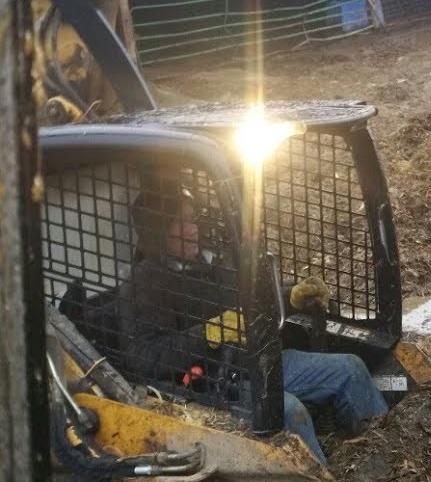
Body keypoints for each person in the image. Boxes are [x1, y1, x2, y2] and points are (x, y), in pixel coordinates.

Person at [119, 180, 387, 464]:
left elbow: (253, 302)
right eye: (179, 222)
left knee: (350, 369)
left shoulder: (214, 261)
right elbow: (142, 357)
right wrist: (209, 334)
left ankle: (387, 458)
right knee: (289, 411)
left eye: (191, 217)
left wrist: (290, 297)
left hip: (259, 361)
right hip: (215, 385)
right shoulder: (144, 284)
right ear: (157, 232)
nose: (192, 227)